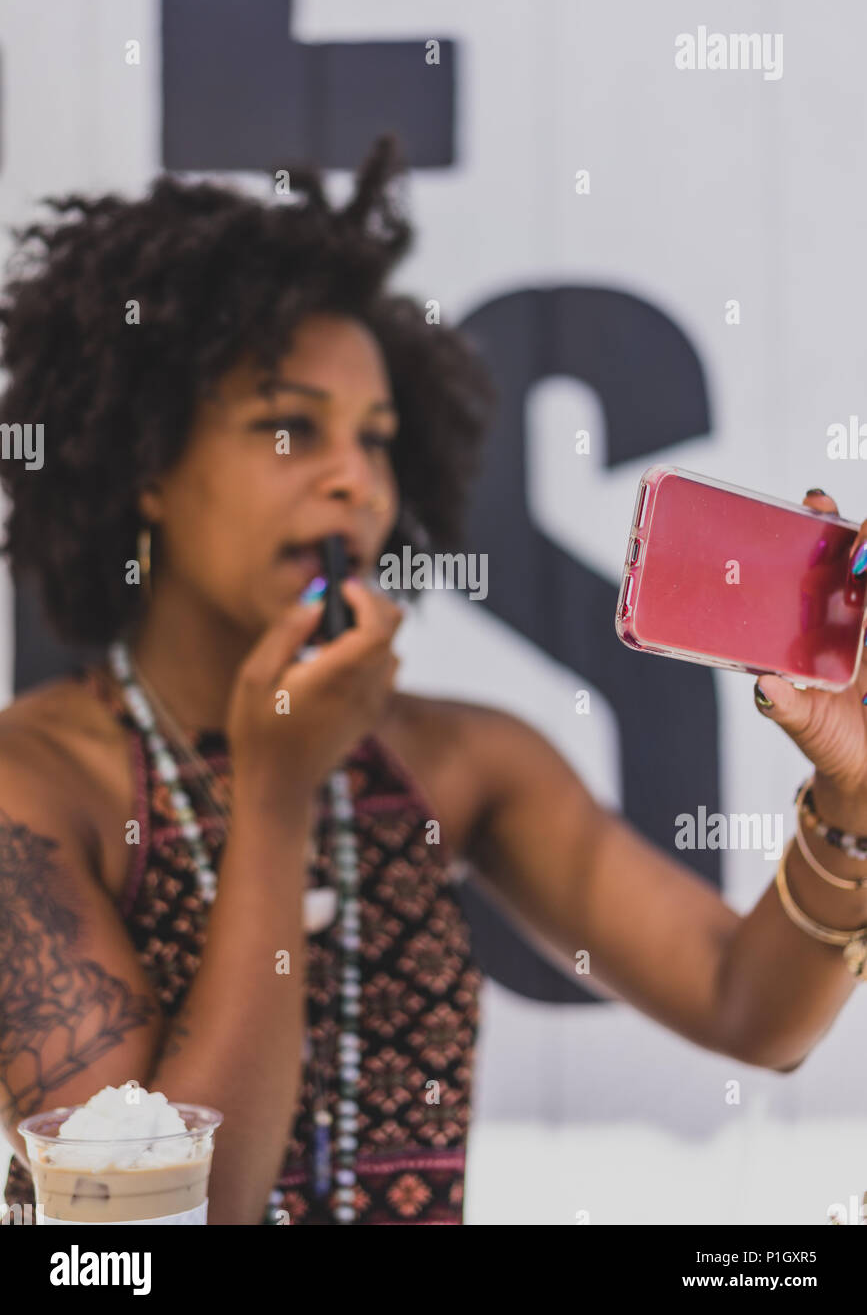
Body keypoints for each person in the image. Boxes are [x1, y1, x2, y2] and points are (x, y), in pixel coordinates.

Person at [2, 134, 867, 1227]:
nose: (355, 482)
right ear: (146, 465)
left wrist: (851, 795)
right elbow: (146, 1224)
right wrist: (275, 797)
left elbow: (751, 1012)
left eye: (377, 440)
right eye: (288, 426)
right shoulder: (31, 786)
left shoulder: (463, 761)